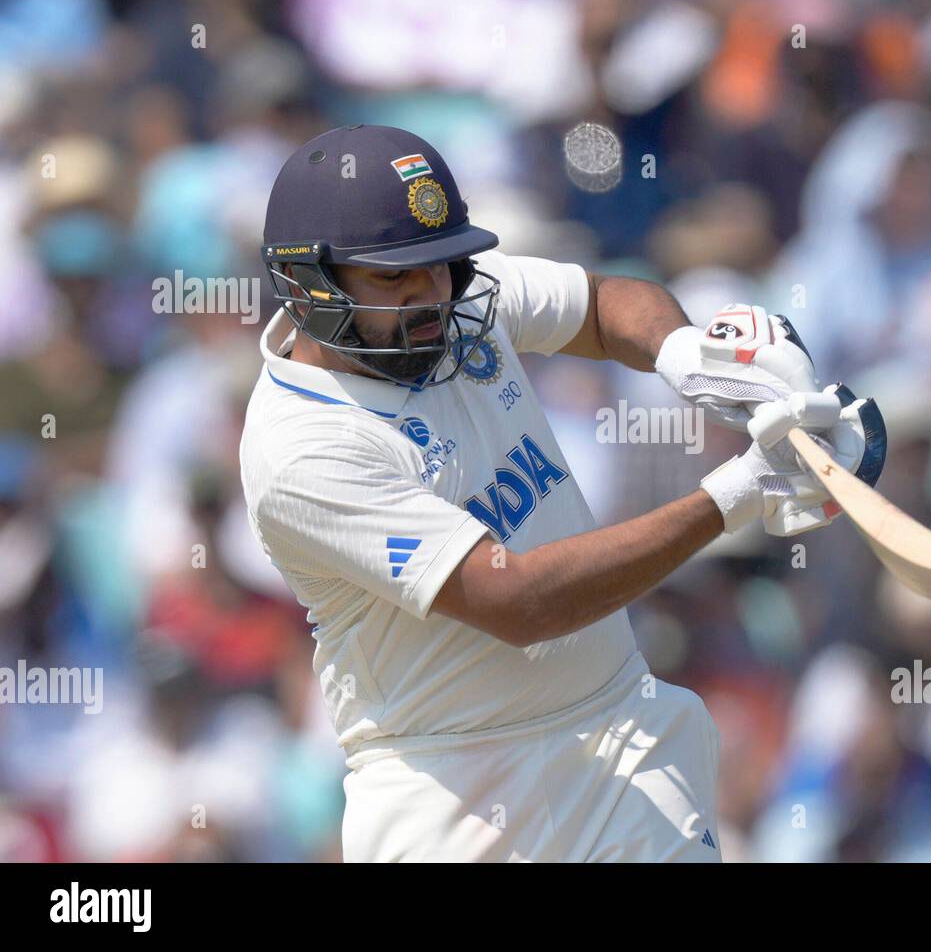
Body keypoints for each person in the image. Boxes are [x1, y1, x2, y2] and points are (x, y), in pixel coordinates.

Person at [239, 125, 886, 861]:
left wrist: (689, 356)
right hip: (453, 796)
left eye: (441, 266)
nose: (430, 295)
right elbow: (520, 603)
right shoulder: (303, 448)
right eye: (394, 278)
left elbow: (602, 304)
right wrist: (740, 492)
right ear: (309, 284)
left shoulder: (457, 302)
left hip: (620, 733)